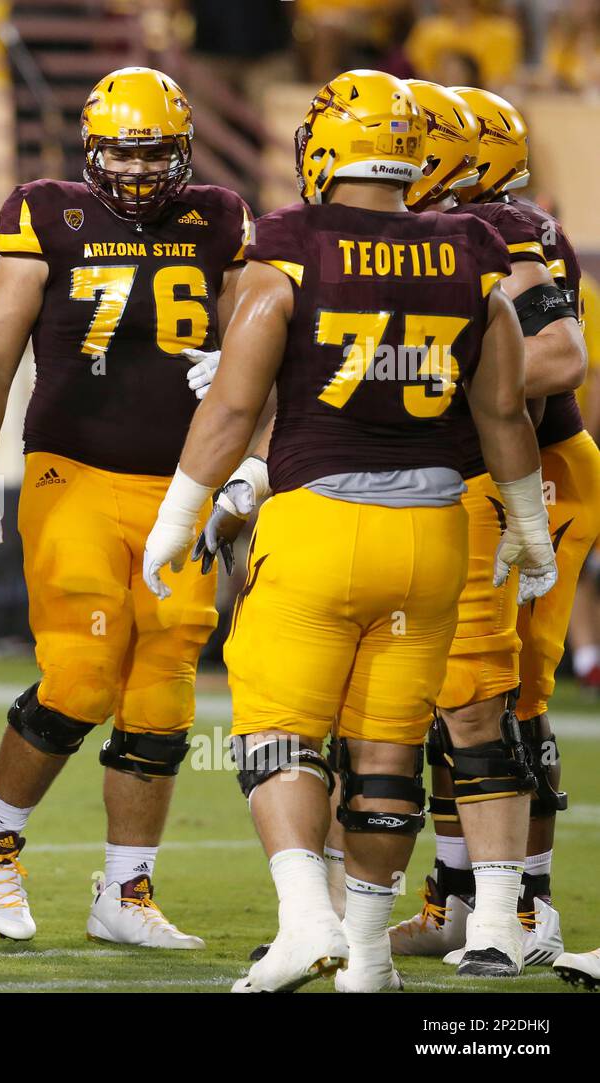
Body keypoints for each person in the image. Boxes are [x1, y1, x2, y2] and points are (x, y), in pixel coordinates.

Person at [143, 69, 556, 992]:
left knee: (278, 734)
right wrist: (530, 529)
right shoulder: (474, 245)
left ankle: (304, 922)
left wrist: (179, 515)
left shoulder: (292, 241)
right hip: (437, 539)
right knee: (388, 752)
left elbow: (231, 405)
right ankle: (367, 955)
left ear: (325, 147)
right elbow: (504, 417)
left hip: (322, 523)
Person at [0, 66, 250, 947]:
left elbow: (255, 336)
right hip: (71, 471)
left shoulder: (219, 216)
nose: (140, 169)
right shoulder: (49, 209)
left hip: (181, 482)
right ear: (91, 149)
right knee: (81, 672)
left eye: (156, 151)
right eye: (123, 151)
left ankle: (126, 889)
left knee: (163, 690)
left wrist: (235, 372)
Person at [388, 84, 596, 975]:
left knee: (503, 698)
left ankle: (527, 905)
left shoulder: (509, 227)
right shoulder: (438, 230)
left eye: (416, 141)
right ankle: (459, 897)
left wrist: (439, 369)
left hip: (538, 476)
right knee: (452, 700)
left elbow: (556, 357)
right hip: (472, 479)